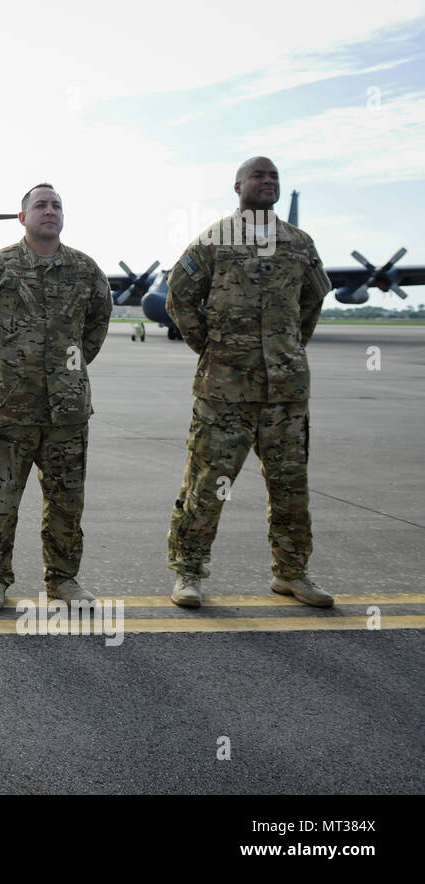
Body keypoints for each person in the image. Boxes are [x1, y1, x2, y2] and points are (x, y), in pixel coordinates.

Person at [164, 157, 333, 608]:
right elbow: (179, 295)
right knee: (208, 482)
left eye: (274, 176)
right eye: (258, 175)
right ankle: (189, 572)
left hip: (286, 393)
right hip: (225, 390)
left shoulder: (300, 244)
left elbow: (313, 300)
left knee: (290, 486)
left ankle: (292, 573)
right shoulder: (215, 240)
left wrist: (289, 349)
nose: (267, 181)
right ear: (238, 186)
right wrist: (212, 348)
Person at [0, 183, 112, 611]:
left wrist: (73, 368)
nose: (50, 210)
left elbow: (98, 323)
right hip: (13, 407)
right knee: (2, 497)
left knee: (66, 500)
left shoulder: (85, 270)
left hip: (68, 410)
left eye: (56, 205)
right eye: (40, 205)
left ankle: (63, 579)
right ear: (22, 217)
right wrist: (5, 365)